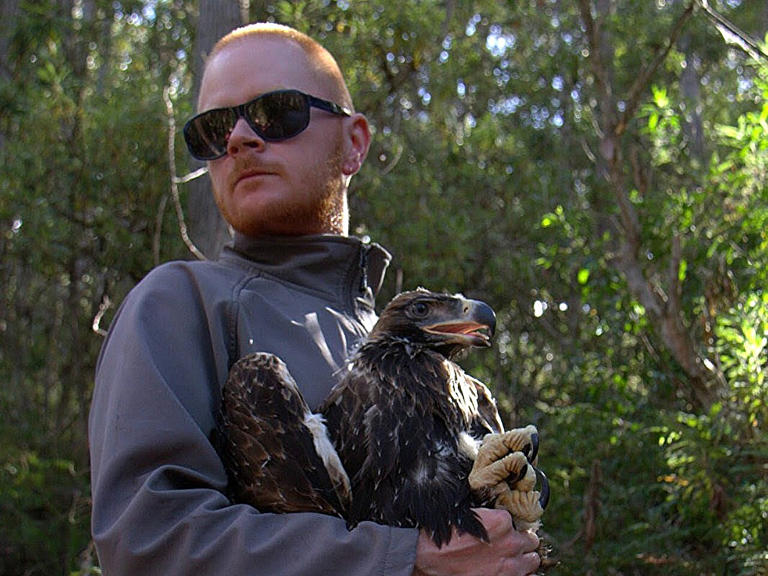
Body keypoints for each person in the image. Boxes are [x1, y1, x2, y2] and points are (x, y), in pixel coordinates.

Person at [88, 22, 541, 576]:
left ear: (353, 143)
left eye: (276, 113)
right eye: (213, 130)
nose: (238, 140)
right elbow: (149, 546)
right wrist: (407, 558)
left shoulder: (421, 350)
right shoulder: (181, 303)